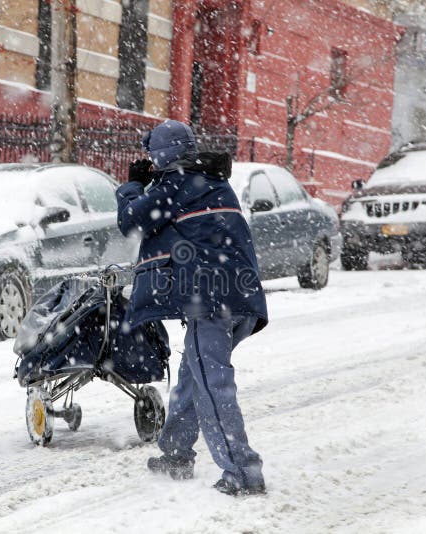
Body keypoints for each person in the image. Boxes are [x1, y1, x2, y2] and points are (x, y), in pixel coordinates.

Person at [115, 119, 269, 496]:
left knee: (213, 386)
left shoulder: (178, 183)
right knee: (193, 375)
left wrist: (133, 185)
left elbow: (132, 221)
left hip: (212, 299)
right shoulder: (213, 181)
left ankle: (243, 473)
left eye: (153, 155)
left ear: (161, 156)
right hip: (240, 297)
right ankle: (176, 454)